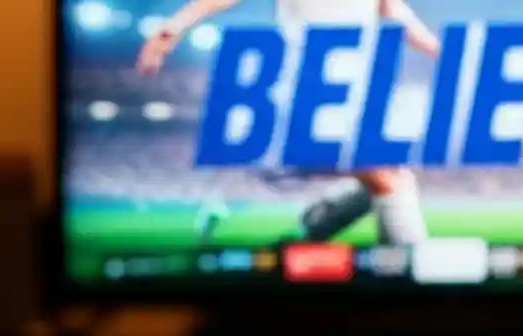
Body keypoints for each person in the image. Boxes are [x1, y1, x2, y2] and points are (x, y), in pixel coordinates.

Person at [137, 0, 442, 245]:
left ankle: (312, 229)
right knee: (391, 181)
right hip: (306, 92)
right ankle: (409, 274)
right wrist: (174, 26)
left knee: (386, 180)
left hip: (349, 98)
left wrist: (441, 51)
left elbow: (395, 12)